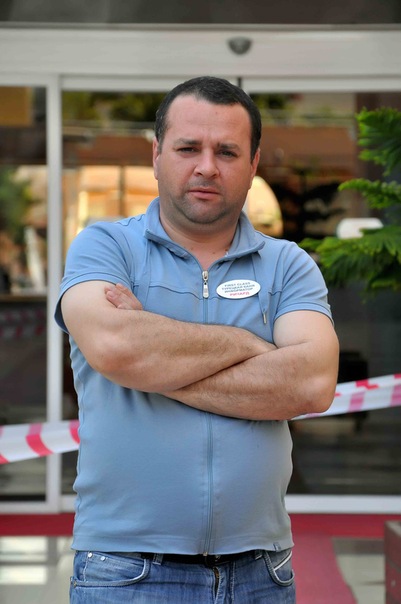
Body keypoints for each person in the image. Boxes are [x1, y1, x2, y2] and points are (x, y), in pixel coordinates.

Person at [55, 76, 339, 603]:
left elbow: (312, 384)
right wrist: (253, 346)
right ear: (157, 154)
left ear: (253, 164)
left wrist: (153, 364)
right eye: (189, 148)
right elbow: (117, 348)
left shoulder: (288, 265)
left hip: (261, 571)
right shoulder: (105, 246)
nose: (207, 166)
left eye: (227, 151)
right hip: (126, 568)